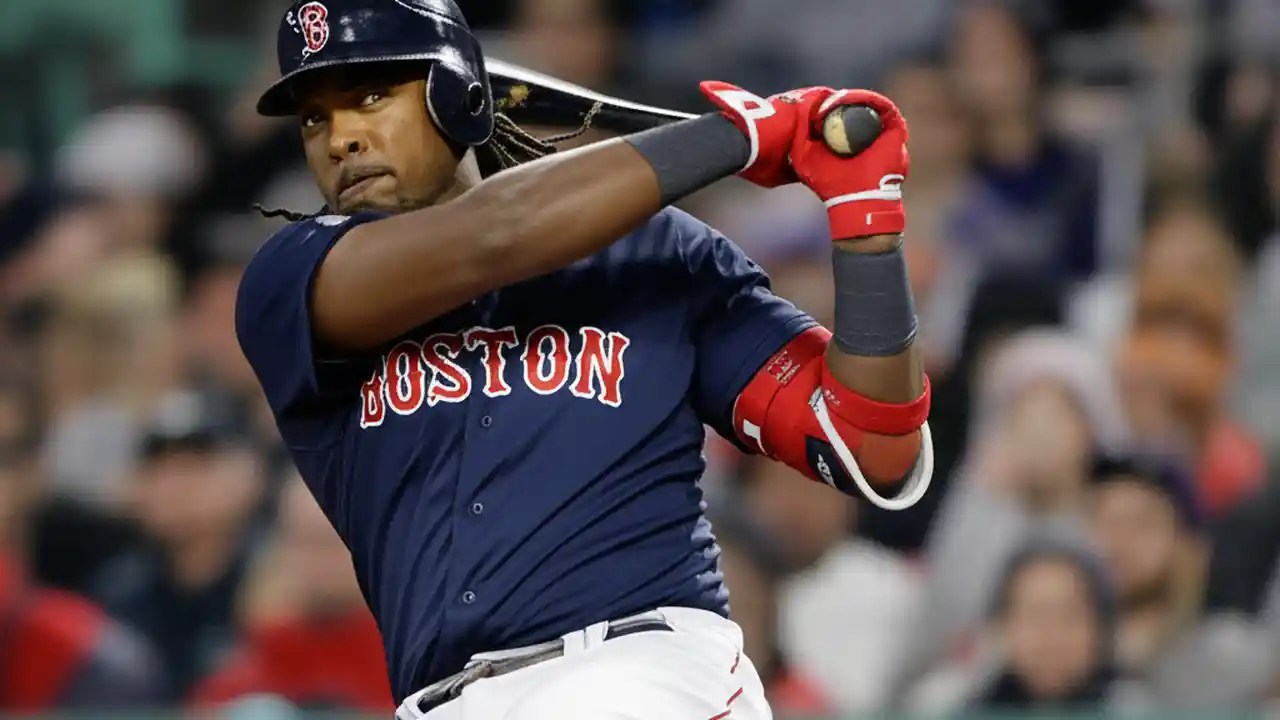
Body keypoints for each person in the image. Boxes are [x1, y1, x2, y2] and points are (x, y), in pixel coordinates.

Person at [235, 1, 932, 717]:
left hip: (636, 671)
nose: (340, 139)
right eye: (314, 119)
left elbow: (872, 443)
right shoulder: (289, 281)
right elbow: (496, 235)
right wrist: (740, 135)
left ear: (459, 94)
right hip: (439, 701)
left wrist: (867, 228)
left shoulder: (654, 252)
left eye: (370, 98)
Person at [91, 388, 268, 701]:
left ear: (249, 474)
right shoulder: (117, 593)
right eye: (159, 468)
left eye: (195, 466)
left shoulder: (275, 584)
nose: (174, 486)